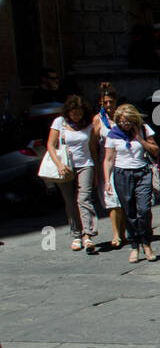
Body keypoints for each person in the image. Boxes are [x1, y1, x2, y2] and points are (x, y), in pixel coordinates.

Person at [103, 104, 160, 264]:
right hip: (122, 173)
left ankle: (147, 243)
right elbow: (108, 159)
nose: (125, 125)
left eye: (128, 121)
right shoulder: (113, 134)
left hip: (142, 172)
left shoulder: (143, 129)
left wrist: (139, 139)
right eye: (122, 122)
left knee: (144, 209)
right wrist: (107, 180)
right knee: (129, 211)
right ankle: (134, 245)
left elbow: (155, 150)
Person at [47, 95, 98, 253]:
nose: (77, 116)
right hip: (65, 166)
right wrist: (59, 164)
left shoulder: (89, 125)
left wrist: (96, 172)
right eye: (74, 113)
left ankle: (88, 235)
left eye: (79, 113)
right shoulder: (59, 122)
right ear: (68, 112)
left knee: (84, 198)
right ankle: (76, 234)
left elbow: (92, 149)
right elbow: (50, 145)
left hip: (85, 164)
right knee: (69, 201)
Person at [95, 84, 126, 249]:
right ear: (101, 103)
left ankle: (123, 233)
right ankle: (116, 235)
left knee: (123, 199)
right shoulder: (98, 120)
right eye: (105, 102)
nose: (108, 105)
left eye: (111, 102)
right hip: (106, 162)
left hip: (123, 161)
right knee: (112, 199)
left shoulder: (122, 117)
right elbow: (93, 144)